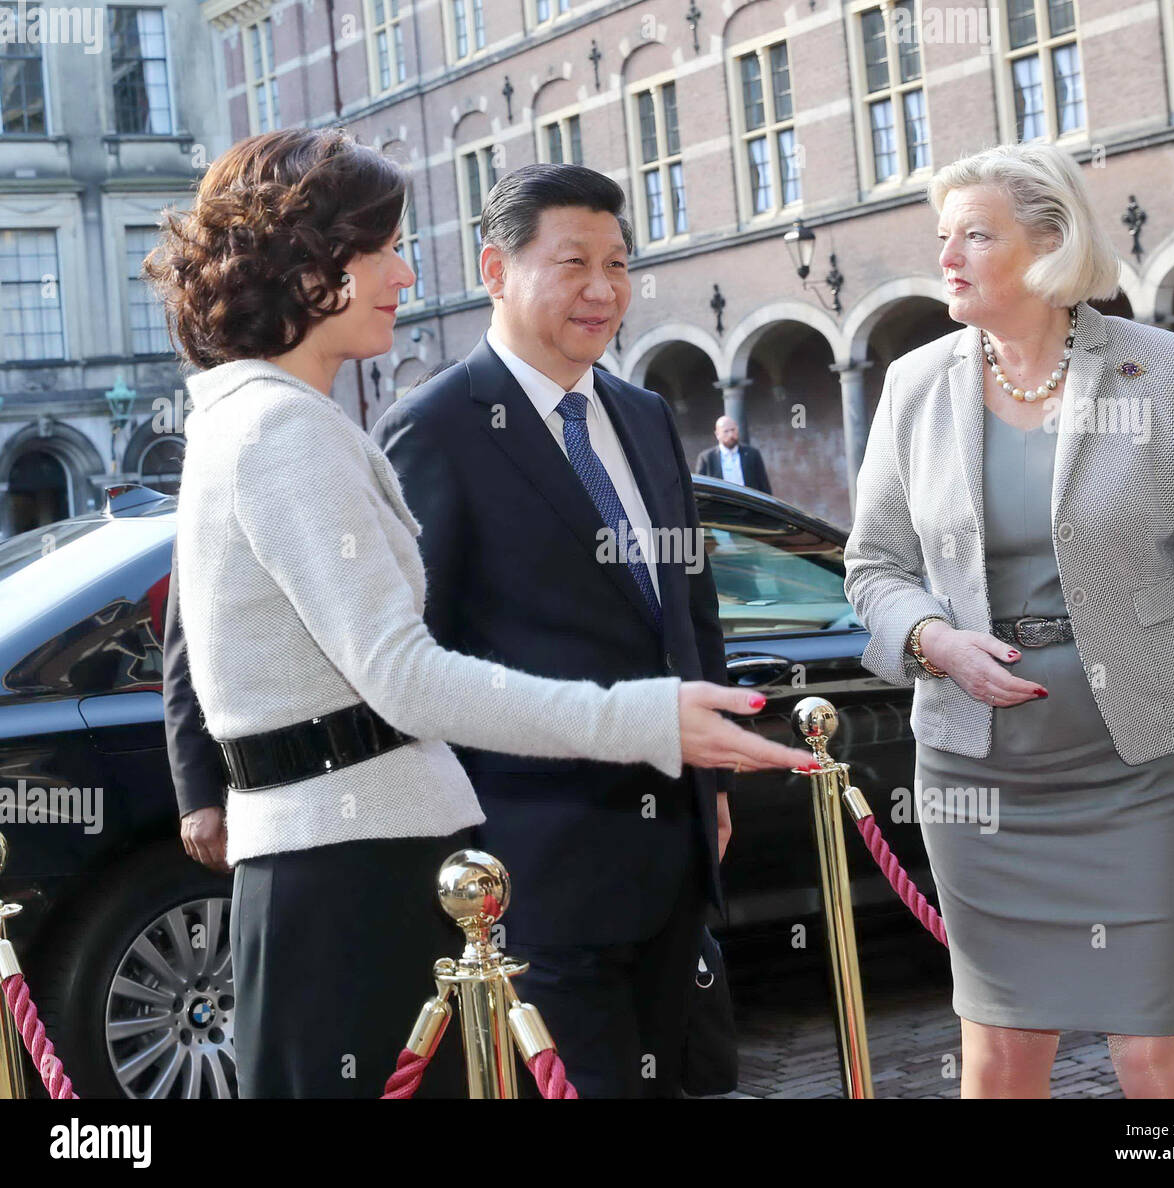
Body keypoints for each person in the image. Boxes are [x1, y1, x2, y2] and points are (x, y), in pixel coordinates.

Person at [146, 129, 815, 1100]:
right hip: (379, 877)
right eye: (383, 249)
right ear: (307, 262)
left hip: (374, 869)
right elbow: (403, 673)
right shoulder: (291, 430)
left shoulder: (254, 417)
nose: (406, 274)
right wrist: (642, 717)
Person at [843, 140, 1174, 1100]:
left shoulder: (1158, 367)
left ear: (1050, 244)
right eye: (943, 236)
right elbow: (876, 567)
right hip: (982, 773)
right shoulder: (915, 385)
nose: (947, 258)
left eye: (976, 235)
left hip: (1155, 761)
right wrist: (932, 640)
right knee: (1002, 1050)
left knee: (1155, 1048)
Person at [370, 162, 754, 1098]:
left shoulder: (644, 415)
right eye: (573, 262)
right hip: (532, 868)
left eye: (617, 264)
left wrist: (713, 779)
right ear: (495, 270)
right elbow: (413, 658)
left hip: (673, 855)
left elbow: (688, 606)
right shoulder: (434, 429)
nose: (603, 289)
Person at [695, 415, 772, 494]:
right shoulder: (707, 458)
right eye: (726, 431)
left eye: (733, 430)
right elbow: (700, 488)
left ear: (737, 430)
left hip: (747, 500)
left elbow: (764, 485)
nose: (731, 435)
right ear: (717, 434)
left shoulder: (752, 454)